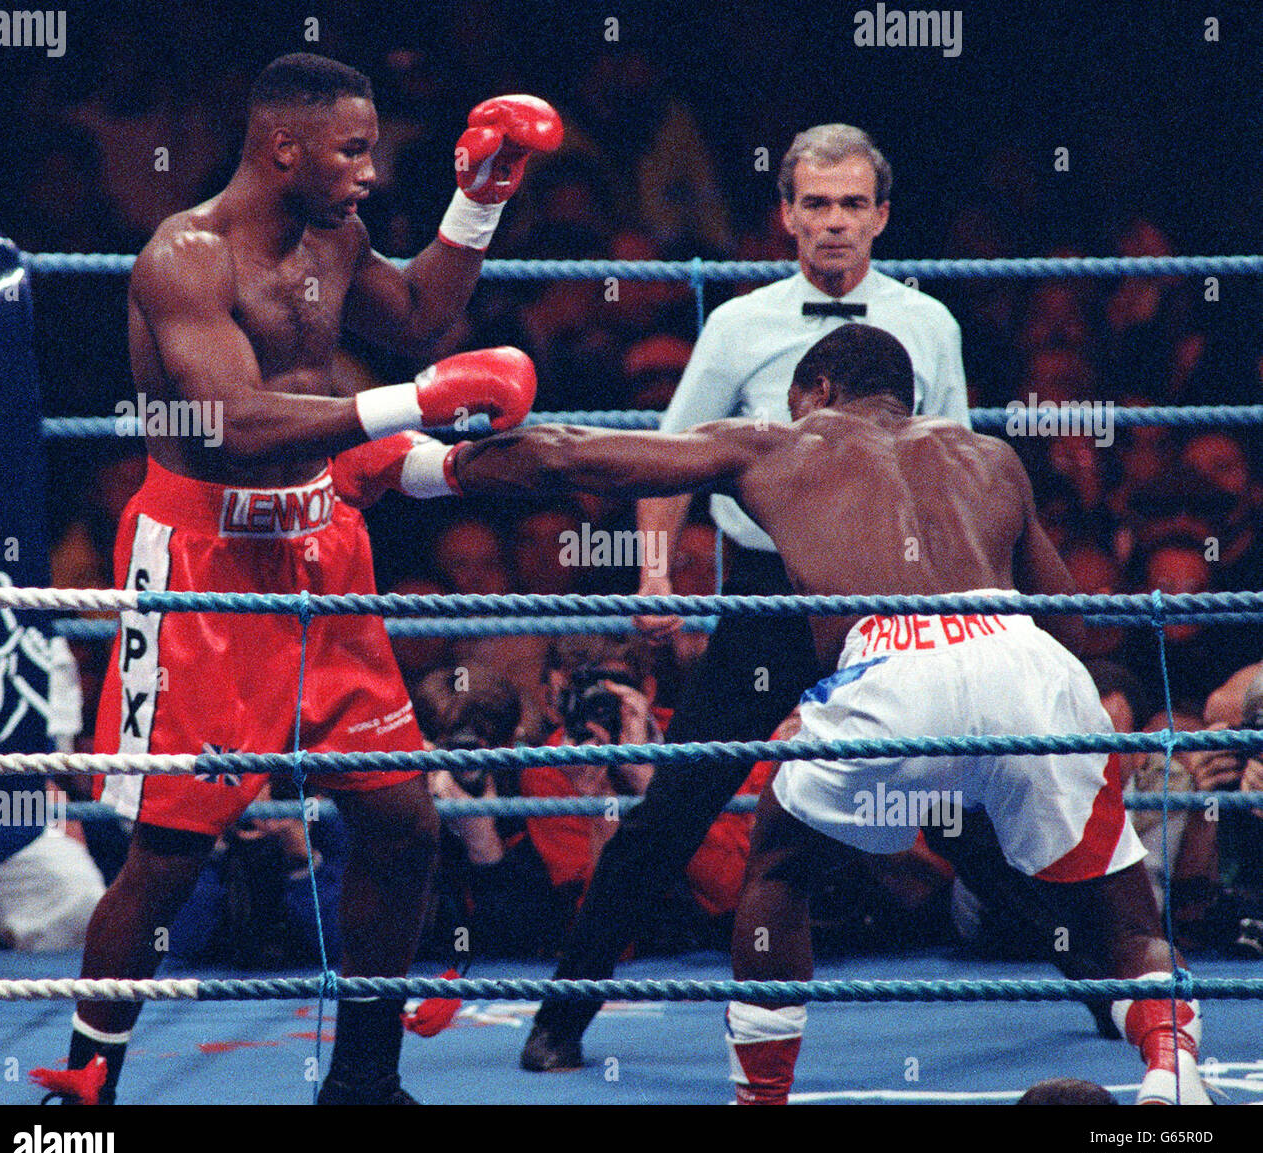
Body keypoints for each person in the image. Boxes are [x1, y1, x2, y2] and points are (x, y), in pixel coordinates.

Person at [443, 323, 1210, 1105]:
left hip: (893, 660)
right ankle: (1171, 1077)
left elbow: (569, 453)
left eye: (796, 402)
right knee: (1119, 908)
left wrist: (435, 461)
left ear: (819, 392)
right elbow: (1069, 627)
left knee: (780, 859)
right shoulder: (990, 456)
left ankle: (761, 1099)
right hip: (1022, 656)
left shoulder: (780, 445)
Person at [32, 52, 554, 1107]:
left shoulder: (336, 234)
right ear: (284, 147)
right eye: (353, 148)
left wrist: (477, 201)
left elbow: (412, 319)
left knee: (402, 824)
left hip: (322, 551)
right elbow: (229, 422)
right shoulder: (185, 258)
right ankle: (80, 1093)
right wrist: (419, 399)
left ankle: (363, 1080)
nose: (369, 169)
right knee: (169, 857)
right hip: (203, 571)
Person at [524, 123, 972, 1068]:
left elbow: (961, 468)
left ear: (883, 214)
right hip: (768, 596)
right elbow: (669, 457)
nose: (835, 224)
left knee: (971, 793)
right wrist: (654, 570)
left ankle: (1110, 995)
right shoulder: (740, 325)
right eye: (816, 204)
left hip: (889, 598)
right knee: (682, 801)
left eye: (853, 204)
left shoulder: (930, 324)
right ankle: (561, 1016)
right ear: (786, 214)